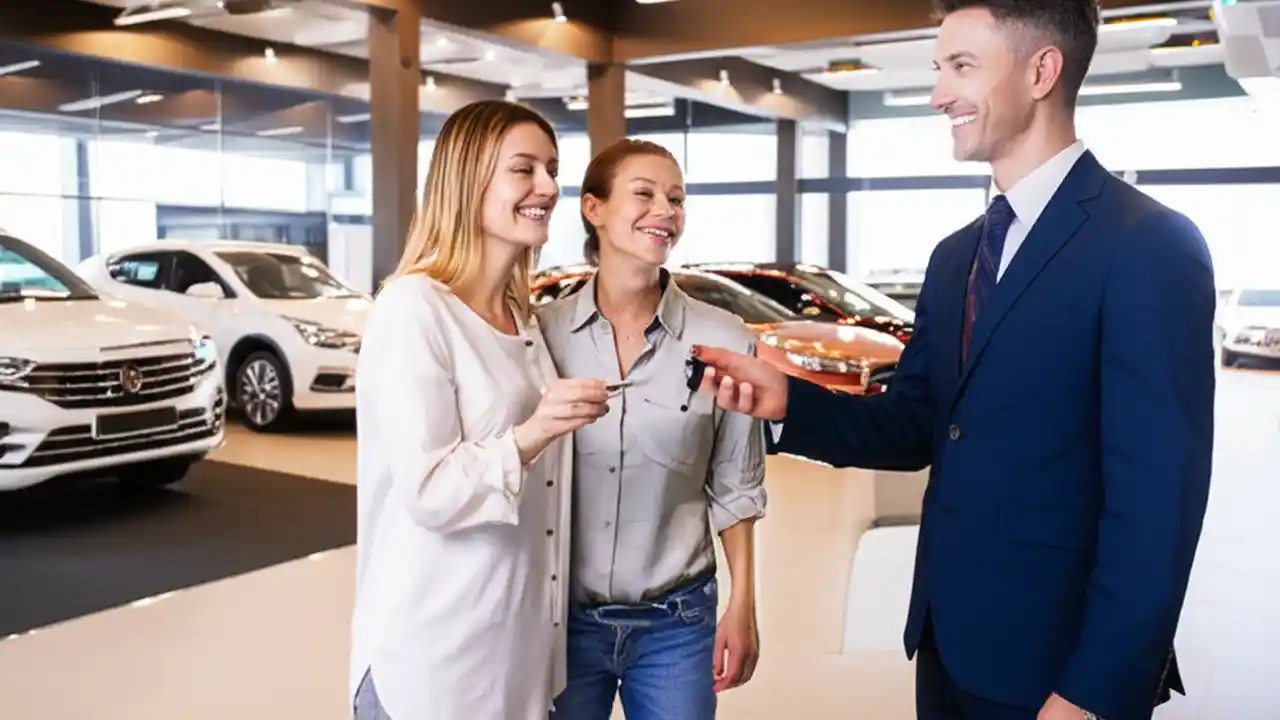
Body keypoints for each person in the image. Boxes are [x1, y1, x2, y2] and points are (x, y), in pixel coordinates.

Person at [690, 2, 1216, 719]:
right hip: (948, 644)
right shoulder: (957, 256)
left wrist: (1093, 692)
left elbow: (1159, 507)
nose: (939, 94)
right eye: (940, 69)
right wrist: (787, 402)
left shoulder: (1148, 244)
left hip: (1060, 667)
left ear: (1042, 71)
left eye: (961, 67)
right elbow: (917, 426)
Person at [349, 100, 611, 720]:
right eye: (524, 169)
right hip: (431, 666)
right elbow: (430, 490)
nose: (548, 187)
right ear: (468, 182)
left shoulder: (522, 318)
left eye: (551, 168)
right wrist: (534, 433)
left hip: (514, 664)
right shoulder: (414, 308)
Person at [537, 138, 768, 720]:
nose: (666, 211)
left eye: (677, 199)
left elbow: (735, 485)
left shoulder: (725, 341)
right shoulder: (541, 336)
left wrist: (742, 605)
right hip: (561, 620)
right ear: (593, 208)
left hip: (678, 623)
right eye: (644, 194)